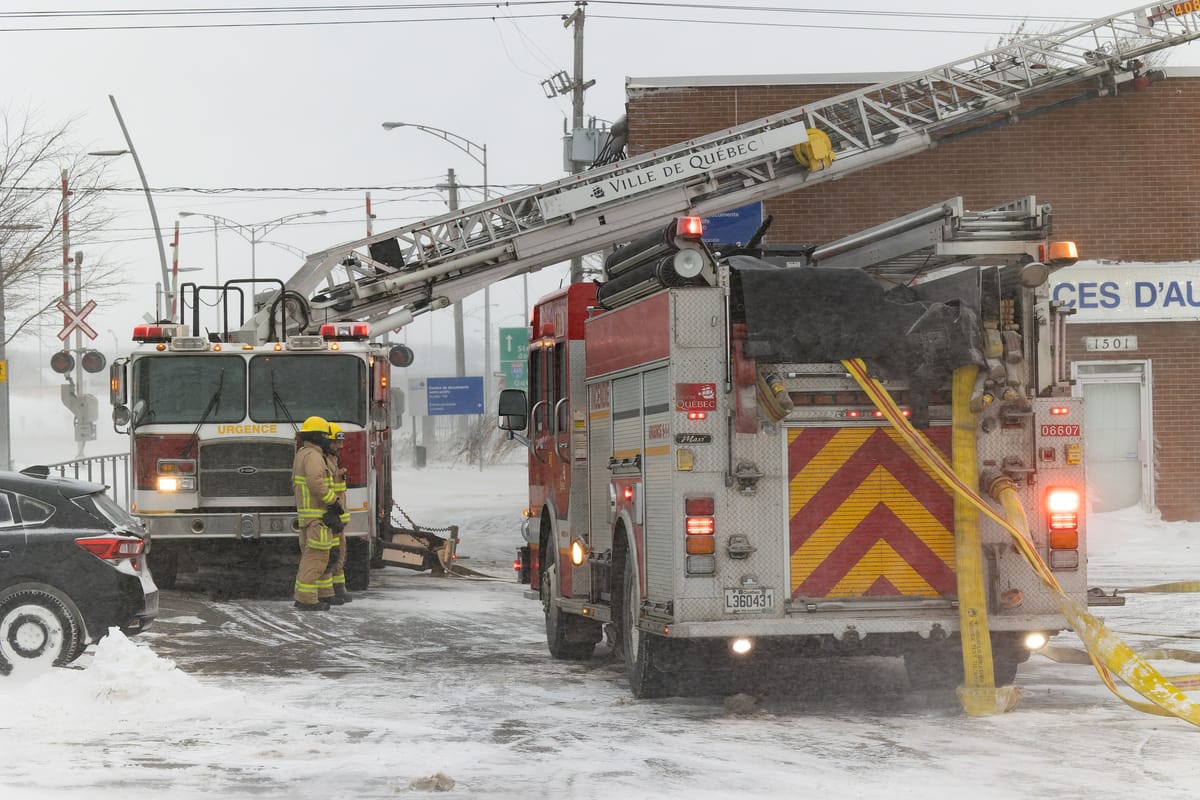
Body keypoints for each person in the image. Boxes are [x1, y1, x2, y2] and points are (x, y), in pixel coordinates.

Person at [292, 415, 342, 612]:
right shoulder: (313, 456)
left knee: (311, 557)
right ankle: (307, 600)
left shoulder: (302, 454)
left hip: (309, 517)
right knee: (316, 558)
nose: (327, 439)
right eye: (324, 435)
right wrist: (333, 502)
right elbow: (315, 482)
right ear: (316, 436)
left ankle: (308, 596)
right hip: (317, 518)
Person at [324, 422, 353, 604]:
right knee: (331, 555)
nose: (340, 446)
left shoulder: (333, 461)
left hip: (339, 519)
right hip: (331, 518)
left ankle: (339, 589)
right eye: (336, 442)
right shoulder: (324, 462)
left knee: (340, 555)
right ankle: (331, 592)